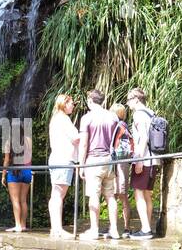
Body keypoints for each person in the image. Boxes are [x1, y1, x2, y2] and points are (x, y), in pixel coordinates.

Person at [76, 90, 122, 241]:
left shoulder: (86, 118)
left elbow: (83, 144)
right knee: (110, 196)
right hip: (109, 160)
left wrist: (81, 165)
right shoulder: (113, 116)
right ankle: (114, 230)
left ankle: (94, 230)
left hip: (93, 161)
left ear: (90, 101)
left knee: (94, 196)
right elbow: (118, 140)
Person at [47, 94, 80, 240]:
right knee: (58, 195)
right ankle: (58, 229)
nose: (73, 106)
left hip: (56, 158)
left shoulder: (55, 118)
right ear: (64, 103)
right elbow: (76, 138)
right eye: (71, 103)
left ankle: (55, 229)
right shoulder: (63, 119)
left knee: (56, 194)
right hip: (64, 159)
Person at [125, 88, 157, 239]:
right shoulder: (151, 113)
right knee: (147, 194)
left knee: (138, 193)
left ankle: (145, 229)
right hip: (153, 158)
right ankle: (147, 227)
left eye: (129, 100)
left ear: (136, 99)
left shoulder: (138, 114)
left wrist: (138, 161)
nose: (128, 103)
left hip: (144, 159)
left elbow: (143, 138)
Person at [1, 122, 32, 233]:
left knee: (15, 201)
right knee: (23, 200)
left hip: (14, 171)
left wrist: (3, 175)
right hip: (27, 171)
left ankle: (17, 225)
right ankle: (23, 225)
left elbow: (6, 160)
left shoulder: (9, 142)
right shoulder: (28, 140)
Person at [111, 104, 133, 236]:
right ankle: (125, 227)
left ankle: (124, 227)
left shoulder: (119, 126)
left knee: (118, 194)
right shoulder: (124, 126)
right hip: (122, 163)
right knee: (121, 195)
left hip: (118, 163)